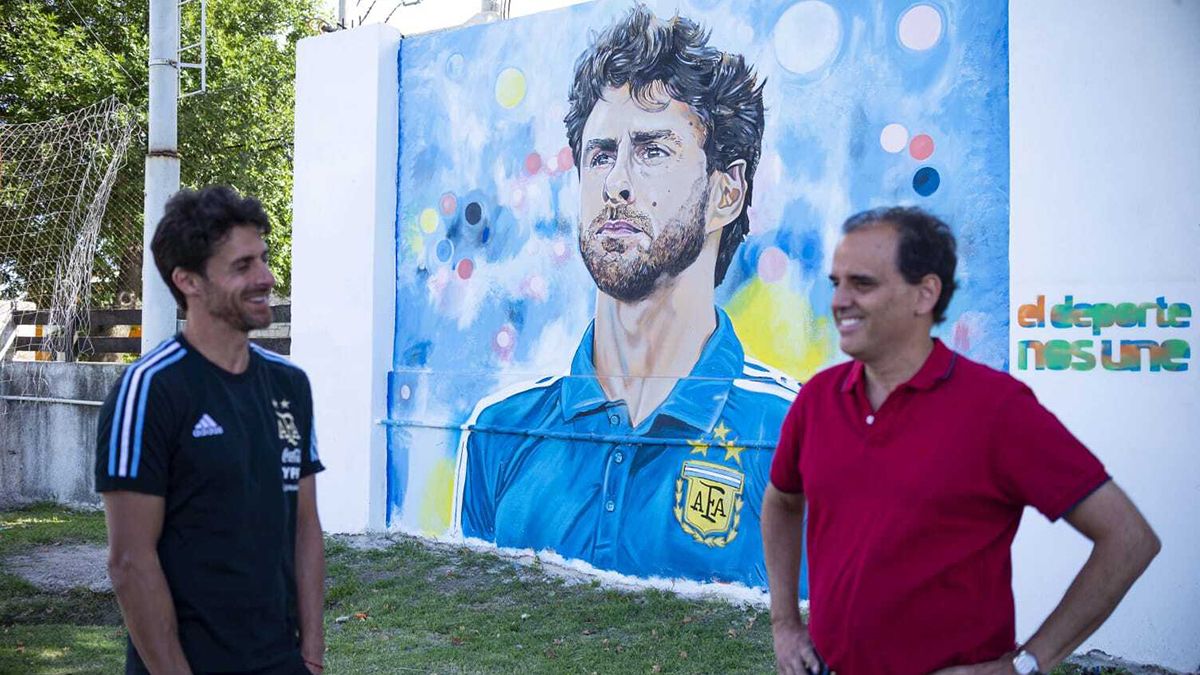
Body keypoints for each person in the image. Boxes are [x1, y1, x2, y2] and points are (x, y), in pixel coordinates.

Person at [452, 4, 802, 589]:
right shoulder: (500, 431)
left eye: (652, 150)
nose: (615, 182)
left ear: (726, 192)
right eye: (601, 154)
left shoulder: (793, 433)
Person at [762, 206, 1160, 675]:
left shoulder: (998, 410)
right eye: (836, 283)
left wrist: (1025, 664)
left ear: (925, 293)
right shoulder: (818, 400)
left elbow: (1129, 539)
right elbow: (783, 503)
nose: (839, 300)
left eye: (862, 283)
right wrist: (785, 623)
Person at [95, 186, 326, 674]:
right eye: (242, 266)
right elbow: (130, 562)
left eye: (262, 259)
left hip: (282, 661)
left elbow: (305, 526)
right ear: (189, 281)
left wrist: (312, 654)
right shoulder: (149, 390)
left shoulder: (291, 385)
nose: (266, 277)